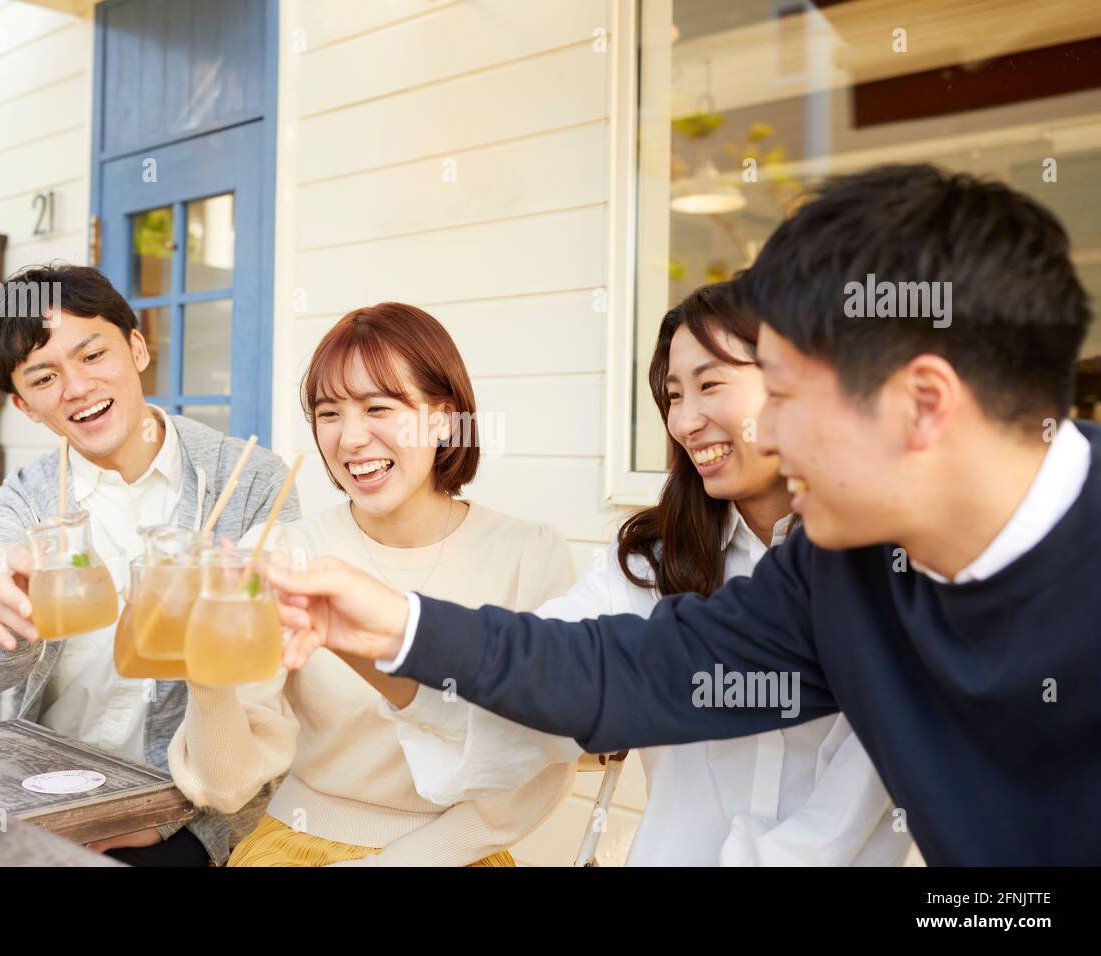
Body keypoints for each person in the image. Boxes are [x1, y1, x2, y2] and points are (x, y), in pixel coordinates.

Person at [267, 164, 1101, 865]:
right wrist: (396, 626)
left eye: (780, 395)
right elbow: (625, 670)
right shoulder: (834, 567)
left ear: (922, 404)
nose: (761, 431)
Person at [383, 281, 911, 865]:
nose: (685, 422)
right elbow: (558, 660)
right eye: (672, 396)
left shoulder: (885, 562)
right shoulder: (649, 557)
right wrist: (392, 643)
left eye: (710, 384)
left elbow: (856, 798)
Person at [166, 302, 577, 866]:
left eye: (378, 407)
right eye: (329, 413)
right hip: (295, 843)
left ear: (442, 419)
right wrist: (207, 675)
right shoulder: (283, 549)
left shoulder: (528, 555)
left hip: (455, 856)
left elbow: (539, 768)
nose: (351, 438)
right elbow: (226, 788)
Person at [0, 264, 297, 866]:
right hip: (57, 801)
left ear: (136, 348)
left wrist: (178, 823)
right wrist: (1, 623)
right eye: (44, 377)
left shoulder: (248, 480)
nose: (76, 387)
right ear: (25, 405)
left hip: (199, 813)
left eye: (92, 355)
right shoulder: (23, 505)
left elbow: (273, 678)